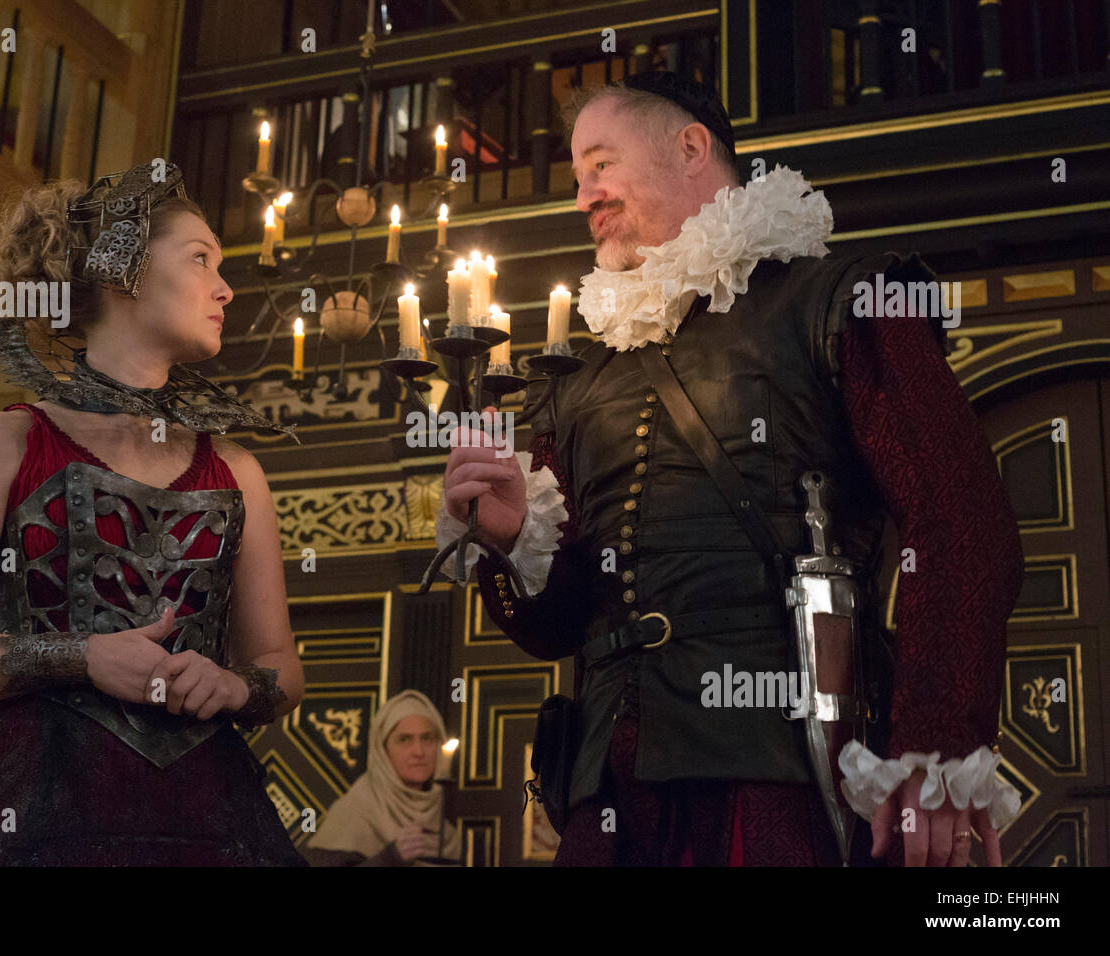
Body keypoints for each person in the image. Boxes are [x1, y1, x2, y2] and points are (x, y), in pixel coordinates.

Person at [437, 72, 1025, 866]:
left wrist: (936, 751)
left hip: (778, 780)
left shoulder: (845, 300)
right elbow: (562, 626)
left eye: (600, 166)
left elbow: (961, 522)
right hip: (611, 793)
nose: (583, 198)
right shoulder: (576, 381)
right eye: (578, 179)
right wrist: (512, 543)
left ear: (690, 147)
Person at [0, 161, 307, 866]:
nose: (226, 288)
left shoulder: (239, 471)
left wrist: (234, 684)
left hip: (207, 807)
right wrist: (82, 657)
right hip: (28, 801)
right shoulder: (5, 442)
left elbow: (278, 666)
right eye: (201, 259)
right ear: (123, 274)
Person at [303, 690, 461, 865]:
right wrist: (391, 857)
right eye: (404, 740)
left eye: (427, 738)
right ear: (383, 750)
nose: (419, 752)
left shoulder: (444, 809)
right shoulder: (355, 811)